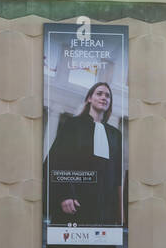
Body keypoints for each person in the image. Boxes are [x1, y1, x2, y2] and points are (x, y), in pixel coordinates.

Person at [45, 82, 123, 226]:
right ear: (89, 98)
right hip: (75, 203)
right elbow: (57, 161)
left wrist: (120, 212)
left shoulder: (115, 135)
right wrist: (64, 195)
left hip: (104, 210)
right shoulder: (73, 125)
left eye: (107, 96)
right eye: (99, 93)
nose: (104, 97)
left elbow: (117, 178)